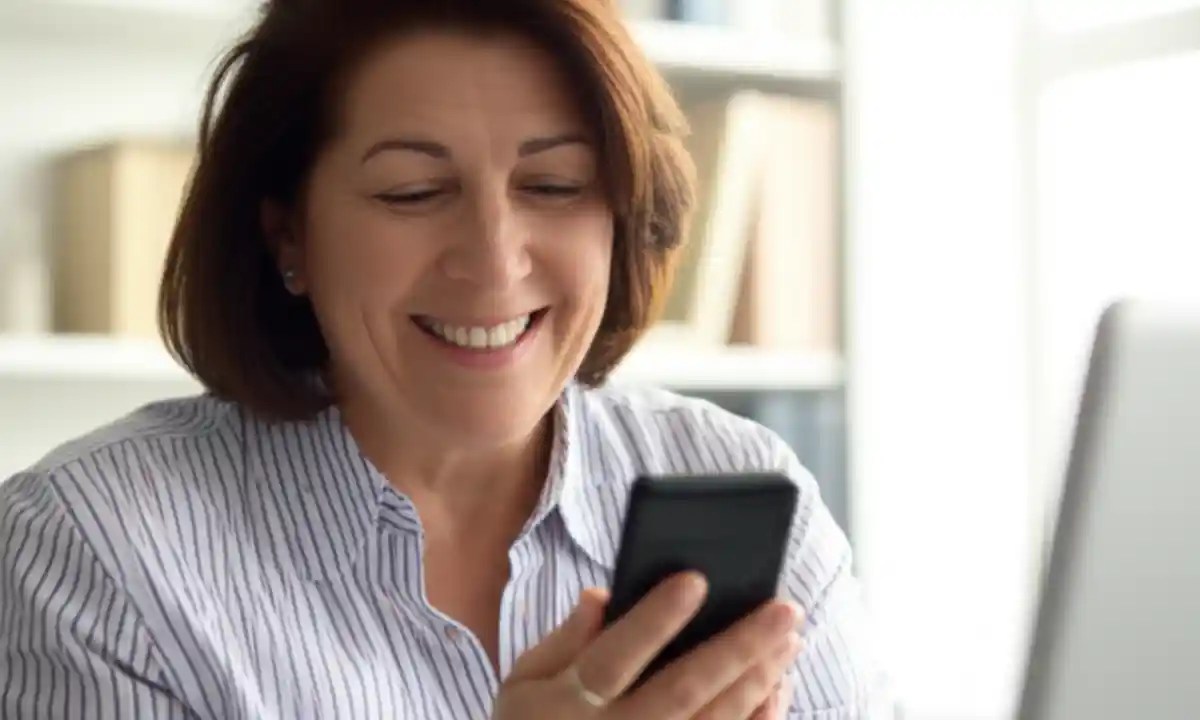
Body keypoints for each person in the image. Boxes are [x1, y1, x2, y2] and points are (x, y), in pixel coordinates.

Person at [0, 0, 891, 717]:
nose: (495, 260)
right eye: (413, 192)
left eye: (554, 186)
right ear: (288, 235)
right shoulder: (91, 550)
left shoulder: (743, 483)